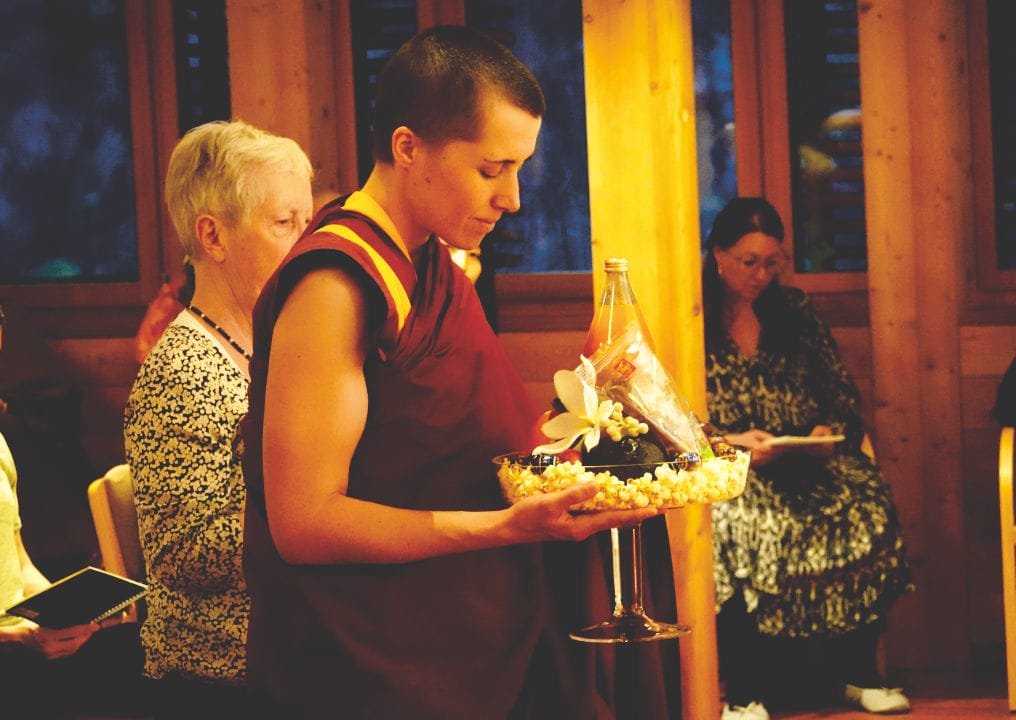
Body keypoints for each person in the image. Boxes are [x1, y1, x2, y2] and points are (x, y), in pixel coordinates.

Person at [241, 25, 661, 719]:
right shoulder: (335, 285)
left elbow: (461, 431)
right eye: (491, 169)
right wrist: (504, 528)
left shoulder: (424, 260)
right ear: (408, 148)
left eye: (519, 169)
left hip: (475, 620)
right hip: (377, 664)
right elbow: (305, 523)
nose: (513, 198)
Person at [124, 119, 314, 717]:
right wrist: (318, 506)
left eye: (309, 224)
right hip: (220, 682)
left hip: (286, 655)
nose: (307, 244)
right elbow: (183, 556)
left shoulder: (271, 342)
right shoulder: (179, 369)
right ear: (213, 236)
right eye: (285, 224)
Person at [701, 198, 914, 719]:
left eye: (773, 261)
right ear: (718, 256)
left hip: (805, 460)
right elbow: (672, 415)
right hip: (732, 465)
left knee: (866, 501)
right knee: (736, 520)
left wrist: (827, 432)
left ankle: (859, 672)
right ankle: (746, 688)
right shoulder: (695, 317)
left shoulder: (795, 310)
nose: (762, 274)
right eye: (749, 261)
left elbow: (841, 394)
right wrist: (730, 441)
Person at [0, 270, 146, 717]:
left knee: (139, 652)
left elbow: (19, 562)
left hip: (21, 649)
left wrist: (60, 616)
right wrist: (9, 639)